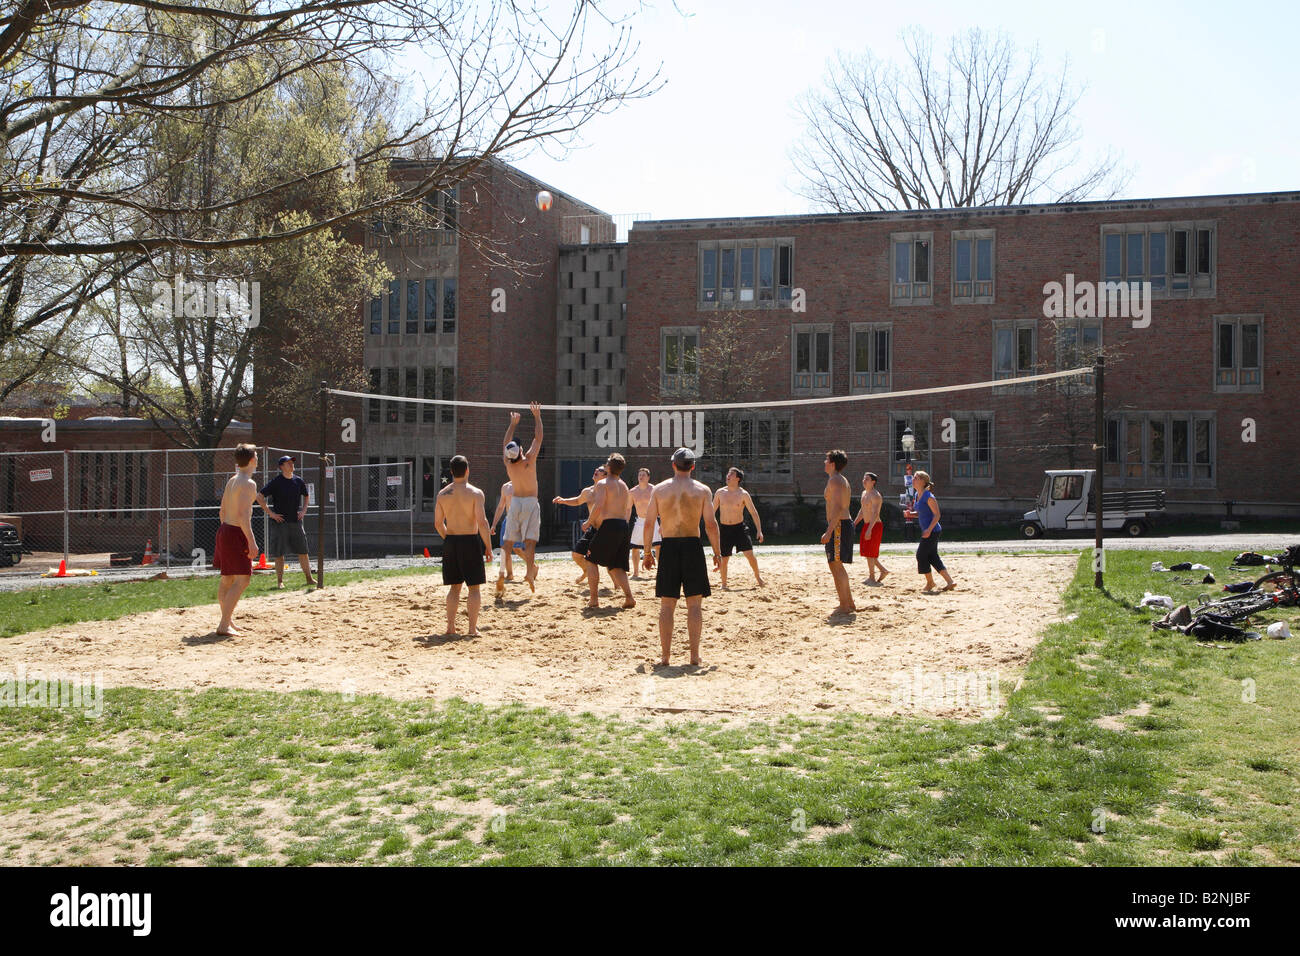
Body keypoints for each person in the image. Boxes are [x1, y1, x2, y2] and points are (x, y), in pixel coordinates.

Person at [641, 447, 720, 667]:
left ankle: (665, 657)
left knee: (667, 605)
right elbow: (711, 526)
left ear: (673, 464)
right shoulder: (703, 490)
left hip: (669, 547)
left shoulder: (659, 489)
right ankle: (694, 656)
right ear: (693, 466)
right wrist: (717, 552)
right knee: (694, 605)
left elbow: (648, 524)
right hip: (692, 546)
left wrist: (647, 553)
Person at [433, 455, 493, 636]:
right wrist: (488, 547)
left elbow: (437, 523)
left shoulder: (442, 494)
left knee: (454, 587)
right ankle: (472, 629)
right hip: (470, 540)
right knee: (474, 587)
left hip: (451, 541)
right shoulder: (475, 493)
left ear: (451, 472)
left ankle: (450, 627)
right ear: (467, 470)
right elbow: (482, 522)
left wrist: (448, 538)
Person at [213, 443, 261, 636]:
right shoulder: (248, 484)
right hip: (235, 531)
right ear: (251, 460)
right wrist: (251, 540)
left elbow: (222, 511)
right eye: (256, 456)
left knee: (227, 579)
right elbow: (242, 515)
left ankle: (227, 620)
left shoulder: (232, 480)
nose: (258, 459)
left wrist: (227, 532)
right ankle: (224, 624)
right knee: (243, 580)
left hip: (225, 529)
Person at [582, 453, 635, 610]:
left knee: (591, 560)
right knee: (617, 565)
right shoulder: (624, 486)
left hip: (609, 525)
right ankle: (629, 597)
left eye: (606, 463)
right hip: (623, 525)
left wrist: (588, 522)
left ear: (609, 467)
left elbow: (598, 506)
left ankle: (593, 599)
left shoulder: (603, 483)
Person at [256, 455, 316, 589]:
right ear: (281, 466)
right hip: (280, 522)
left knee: (303, 551)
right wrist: (271, 513)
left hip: (296, 521)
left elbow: (306, 496)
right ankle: (280, 581)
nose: (291, 465)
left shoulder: (298, 481)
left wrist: (304, 510)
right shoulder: (276, 482)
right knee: (279, 553)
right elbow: (259, 496)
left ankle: (309, 578)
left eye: (292, 462)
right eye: (288, 463)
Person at [502, 401, 543, 592]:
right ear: (519, 450)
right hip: (530, 502)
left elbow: (505, 444)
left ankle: (502, 572)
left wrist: (512, 424)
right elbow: (539, 437)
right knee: (530, 541)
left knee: (508, 541)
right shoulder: (529, 459)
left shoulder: (509, 463)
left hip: (516, 501)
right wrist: (537, 416)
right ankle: (528, 572)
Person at [553, 465, 609, 584]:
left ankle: (617, 586)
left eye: (600, 470)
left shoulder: (609, 491)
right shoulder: (588, 491)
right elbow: (578, 500)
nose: (596, 471)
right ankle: (586, 571)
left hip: (606, 529)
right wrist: (563, 500)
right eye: (596, 469)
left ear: (606, 475)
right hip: (593, 528)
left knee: (609, 560)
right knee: (576, 555)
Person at [712, 467, 764, 588]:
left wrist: (759, 531)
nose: (728, 476)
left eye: (731, 474)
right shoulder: (720, 492)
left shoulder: (743, 494)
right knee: (724, 558)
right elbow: (712, 511)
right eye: (728, 473)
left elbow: (754, 512)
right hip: (724, 529)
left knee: (750, 554)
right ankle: (724, 584)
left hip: (739, 529)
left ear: (738, 479)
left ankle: (758, 577)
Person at [821, 449, 857, 615]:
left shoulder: (836, 480)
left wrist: (829, 531)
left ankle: (845, 605)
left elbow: (837, 507)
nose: (824, 462)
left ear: (833, 464)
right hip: (839, 524)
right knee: (835, 565)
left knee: (836, 566)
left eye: (827, 460)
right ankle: (848, 602)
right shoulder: (837, 479)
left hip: (838, 525)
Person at [912, 470, 956, 593]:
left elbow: (937, 515)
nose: (913, 480)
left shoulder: (928, 496)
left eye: (915, 478)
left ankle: (930, 582)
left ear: (922, 481)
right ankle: (950, 582)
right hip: (928, 530)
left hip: (933, 530)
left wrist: (928, 530)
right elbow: (921, 513)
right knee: (932, 557)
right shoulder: (917, 495)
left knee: (921, 555)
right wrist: (911, 514)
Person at [853, 471, 889, 586]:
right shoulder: (864, 493)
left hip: (875, 525)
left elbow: (875, 514)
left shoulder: (876, 495)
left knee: (871, 553)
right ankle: (883, 570)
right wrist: (855, 523)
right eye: (864, 478)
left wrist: (869, 530)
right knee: (868, 552)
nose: (864, 480)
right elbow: (862, 510)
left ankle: (872, 578)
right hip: (867, 524)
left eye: (867, 479)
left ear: (873, 482)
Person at [489, 480, 527, 583]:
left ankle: (532, 566)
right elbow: (501, 506)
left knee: (518, 548)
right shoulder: (505, 487)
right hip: (508, 519)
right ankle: (510, 574)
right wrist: (493, 524)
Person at [628, 467, 661, 577]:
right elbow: (628, 508)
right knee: (635, 547)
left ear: (648, 477)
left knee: (658, 546)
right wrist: (626, 521)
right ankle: (636, 572)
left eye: (643, 475)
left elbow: (661, 506)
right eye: (639, 475)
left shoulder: (654, 489)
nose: (641, 477)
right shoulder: (632, 491)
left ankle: (660, 572)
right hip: (640, 521)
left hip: (653, 520)